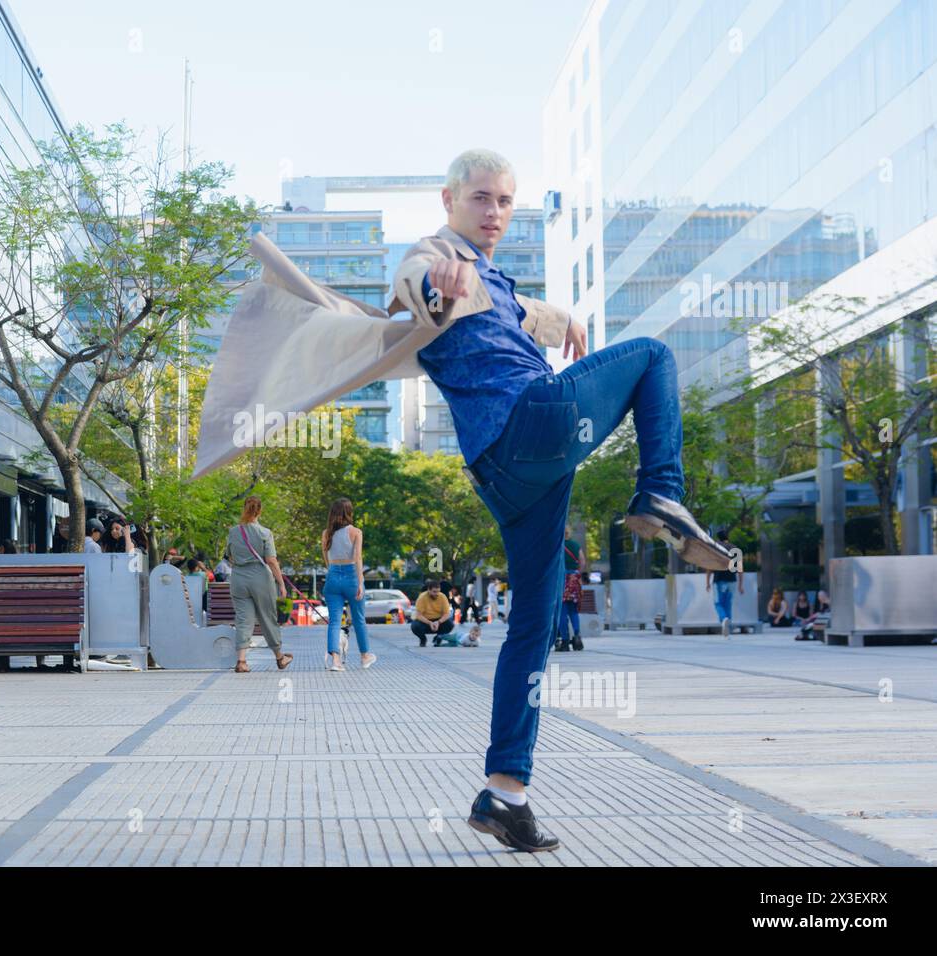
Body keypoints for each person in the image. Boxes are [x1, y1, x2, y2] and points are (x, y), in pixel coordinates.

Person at [193, 148, 733, 853]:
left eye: (506, 202)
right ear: (450, 200)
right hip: (526, 422)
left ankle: (505, 793)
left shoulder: (496, 280)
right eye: (481, 199)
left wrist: (558, 316)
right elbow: (422, 283)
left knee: (533, 628)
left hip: (509, 476)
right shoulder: (435, 256)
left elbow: (520, 307)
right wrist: (437, 279)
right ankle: (661, 492)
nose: (495, 213)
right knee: (654, 358)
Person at [226, 496, 293, 673]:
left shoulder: (233, 532)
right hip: (260, 578)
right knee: (267, 617)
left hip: (239, 578)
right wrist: (281, 583)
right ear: (260, 510)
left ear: (244, 509)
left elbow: (229, 556)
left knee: (243, 619)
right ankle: (280, 658)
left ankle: (241, 661)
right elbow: (271, 560)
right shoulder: (265, 533)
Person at [321, 498, 375, 672]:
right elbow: (358, 557)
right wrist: (360, 582)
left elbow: (326, 558)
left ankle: (336, 661)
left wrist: (333, 572)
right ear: (349, 512)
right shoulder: (356, 532)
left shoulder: (326, 534)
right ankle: (365, 656)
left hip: (333, 576)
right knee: (359, 619)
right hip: (352, 575)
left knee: (334, 621)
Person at [704, 534, 745, 638]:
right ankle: (728, 629)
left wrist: (707, 582)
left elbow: (709, 566)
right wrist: (740, 585)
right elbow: (740, 569)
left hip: (719, 580)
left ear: (718, 538)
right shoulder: (735, 548)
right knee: (728, 604)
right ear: (728, 538)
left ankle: (723, 619)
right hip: (732, 580)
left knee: (718, 603)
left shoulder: (715, 547)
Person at [555, 527, 584, 652]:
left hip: (561, 579)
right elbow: (582, 562)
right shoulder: (576, 545)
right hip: (573, 579)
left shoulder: (557, 546)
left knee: (562, 611)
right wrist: (577, 574)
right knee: (573, 610)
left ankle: (565, 641)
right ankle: (577, 637)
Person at [411, 579, 455, 647]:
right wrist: (429, 623)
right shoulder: (422, 597)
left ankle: (438, 638)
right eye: (434, 592)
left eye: (438, 591)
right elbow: (418, 615)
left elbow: (447, 614)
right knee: (415, 626)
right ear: (428, 590)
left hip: (438, 621)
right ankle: (423, 639)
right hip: (425, 621)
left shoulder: (442, 597)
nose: (437, 594)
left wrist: (438, 622)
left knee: (450, 624)